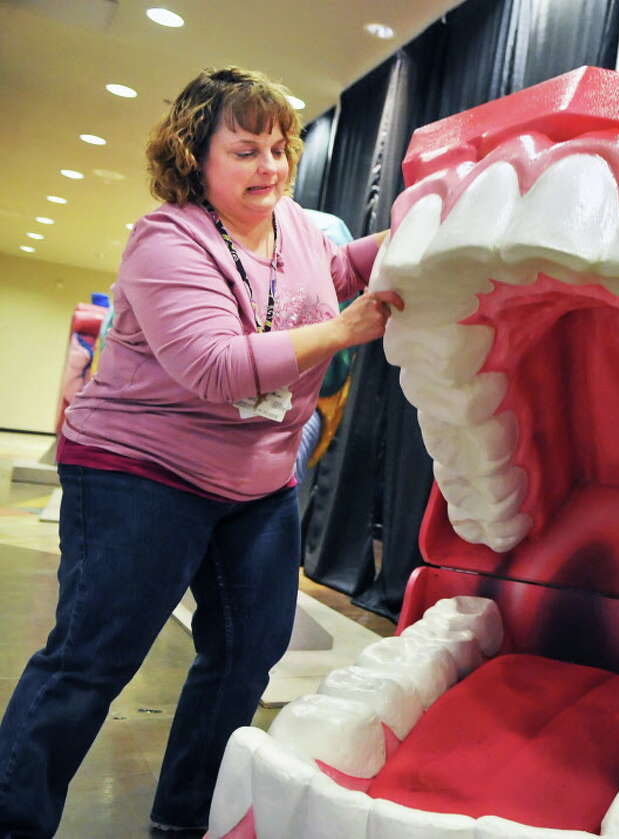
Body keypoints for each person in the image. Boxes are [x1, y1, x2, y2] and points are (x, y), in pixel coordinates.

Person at [0, 67, 402, 837]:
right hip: (139, 473)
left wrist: (417, 236)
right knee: (92, 660)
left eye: (280, 148)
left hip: (255, 481)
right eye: (247, 150)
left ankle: (184, 820)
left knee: (248, 654)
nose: (272, 167)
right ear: (195, 154)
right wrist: (346, 330)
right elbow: (215, 365)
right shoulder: (165, 239)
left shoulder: (302, 231)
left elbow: (340, 270)